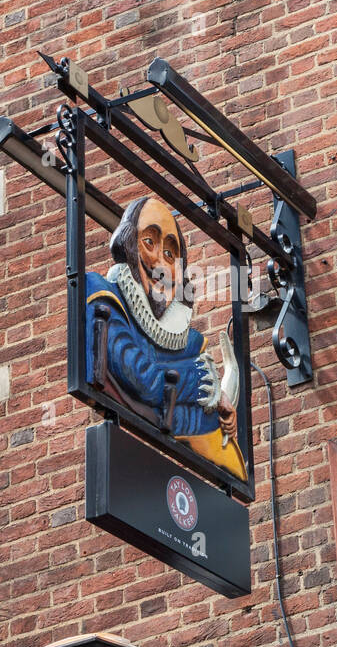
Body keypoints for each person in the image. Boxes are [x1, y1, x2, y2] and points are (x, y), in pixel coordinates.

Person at [86, 195, 247, 482]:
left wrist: (218, 418)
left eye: (171, 255)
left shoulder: (190, 343)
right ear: (128, 246)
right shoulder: (103, 295)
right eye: (149, 242)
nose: (161, 263)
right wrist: (205, 385)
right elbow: (144, 381)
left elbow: (172, 416)